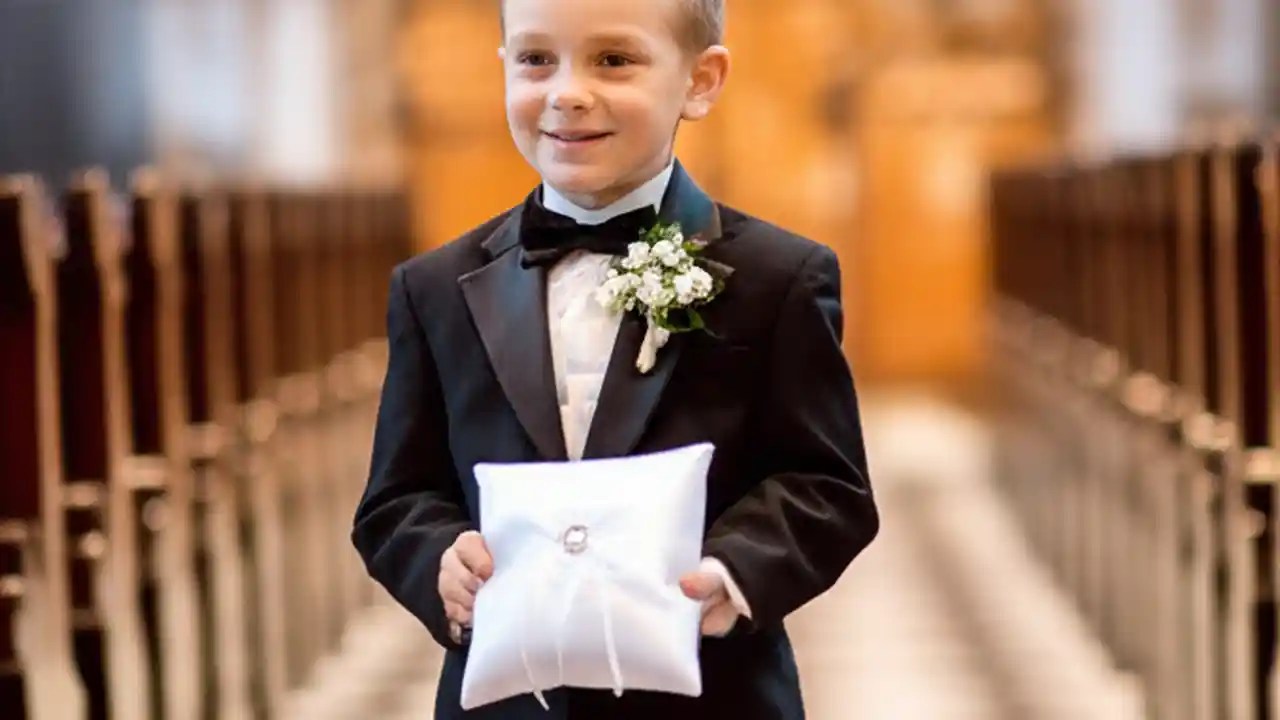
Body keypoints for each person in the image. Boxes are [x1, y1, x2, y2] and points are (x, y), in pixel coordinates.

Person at [351, 0, 879, 717]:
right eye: (537, 59)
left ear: (699, 80)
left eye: (613, 60)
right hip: (510, 697)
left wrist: (735, 568)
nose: (568, 92)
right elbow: (396, 497)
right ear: (503, 66)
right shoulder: (434, 289)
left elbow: (827, 483)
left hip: (711, 691)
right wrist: (437, 558)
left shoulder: (779, 279)